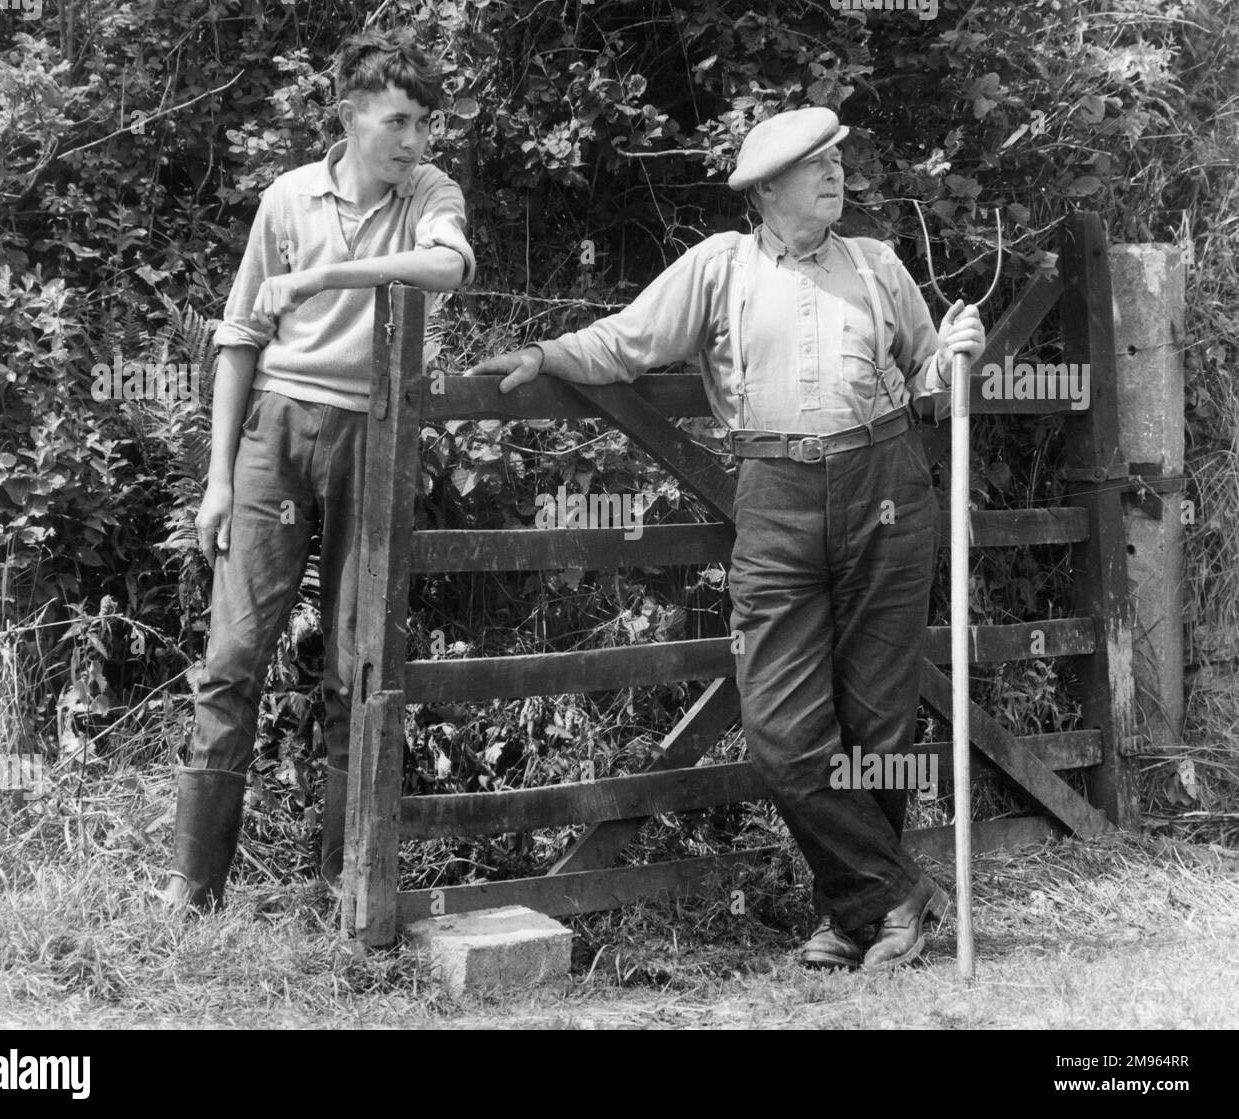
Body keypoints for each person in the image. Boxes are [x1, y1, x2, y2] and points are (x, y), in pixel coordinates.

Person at [466, 107, 985, 969]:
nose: (834, 173)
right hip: (774, 495)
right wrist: (548, 355)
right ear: (767, 189)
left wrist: (956, 353)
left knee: (877, 727)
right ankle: (894, 896)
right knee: (782, 729)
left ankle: (856, 917)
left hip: (886, 488)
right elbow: (627, 342)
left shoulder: (877, 265)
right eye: (813, 164)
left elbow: (932, 386)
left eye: (836, 160)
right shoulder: (721, 267)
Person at [159, 30, 476, 910]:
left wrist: (331, 276)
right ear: (349, 115)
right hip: (276, 433)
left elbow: (448, 266)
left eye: (425, 123)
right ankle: (193, 886)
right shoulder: (289, 198)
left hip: (373, 439)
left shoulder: (428, 194)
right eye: (398, 121)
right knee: (232, 655)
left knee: (354, 665)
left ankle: (343, 885)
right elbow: (238, 338)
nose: (414, 141)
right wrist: (220, 479)